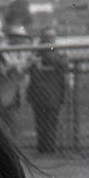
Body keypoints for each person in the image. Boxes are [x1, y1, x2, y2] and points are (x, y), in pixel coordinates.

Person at [26, 26, 69, 155]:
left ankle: (49, 149)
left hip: (53, 92)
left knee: (51, 121)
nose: (50, 40)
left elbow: (63, 65)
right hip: (39, 93)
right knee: (41, 122)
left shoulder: (56, 53)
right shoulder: (39, 52)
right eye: (47, 37)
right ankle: (43, 148)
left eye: (52, 37)